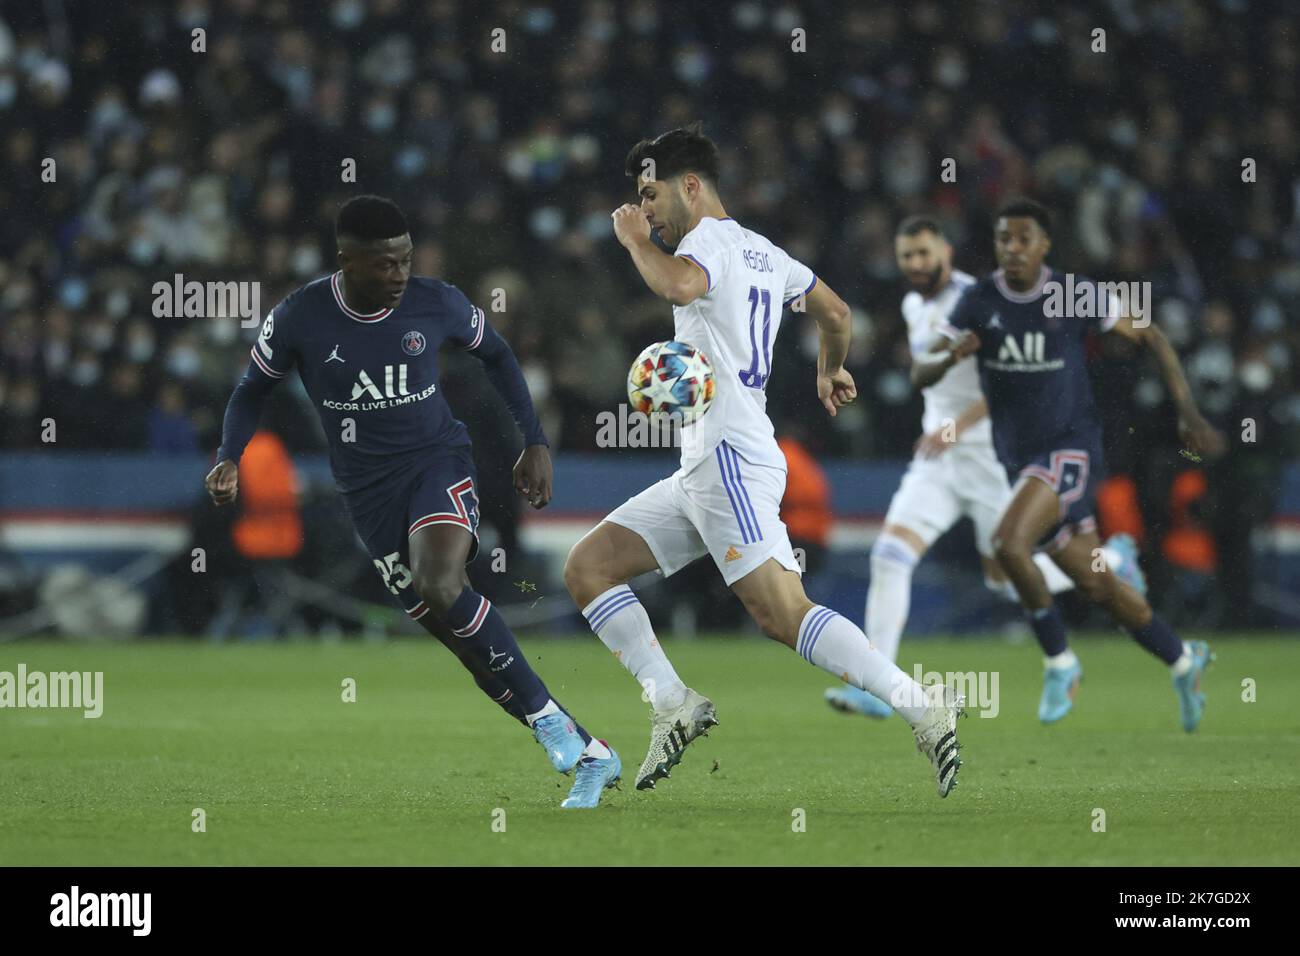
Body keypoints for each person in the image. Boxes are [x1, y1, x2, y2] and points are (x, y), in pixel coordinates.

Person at [563, 125, 965, 798]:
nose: (646, 210)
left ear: (691, 186)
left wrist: (633, 240)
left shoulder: (706, 246)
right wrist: (829, 370)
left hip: (729, 460)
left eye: (651, 194)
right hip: (705, 465)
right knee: (589, 567)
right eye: (640, 201)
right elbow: (836, 312)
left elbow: (684, 287)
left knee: (783, 613)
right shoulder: (766, 254)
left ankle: (922, 705)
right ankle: (672, 702)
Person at [205, 195, 619, 807]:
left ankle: (552, 725)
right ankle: (590, 751)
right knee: (461, 640)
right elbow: (251, 390)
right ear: (346, 260)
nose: (399, 275)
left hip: (438, 465)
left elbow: (499, 356)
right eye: (384, 265)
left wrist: (534, 441)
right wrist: (228, 455)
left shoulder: (437, 300)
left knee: (440, 582)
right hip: (367, 495)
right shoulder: (300, 317)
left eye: (404, 260)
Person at [826, 216, 1146, 719]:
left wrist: (954, 427)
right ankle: (877, 686)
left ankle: (1112, 564)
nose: (914, 264)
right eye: (906, 255)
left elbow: (1010, 382)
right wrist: (939, 428)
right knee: (889, 555)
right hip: (937, 463)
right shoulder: (913, 304)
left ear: (946, 252)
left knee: (1005, 580)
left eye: (923, 254)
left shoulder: (981, 301)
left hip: (989, 459)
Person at [926, 198, 1226, 730]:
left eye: (1023, 239)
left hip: (1070, 450)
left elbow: (1151, 333)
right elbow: (918, 374)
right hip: (1020, 461)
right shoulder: (977, 299)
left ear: (1045, 246)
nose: (1012, 248)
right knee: (1098, 587)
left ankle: (1060, 663)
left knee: (1006, 543)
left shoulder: (1072, 293)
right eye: (1003, 239)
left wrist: (1188, 413)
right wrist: (949, 357)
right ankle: (1183, 658)